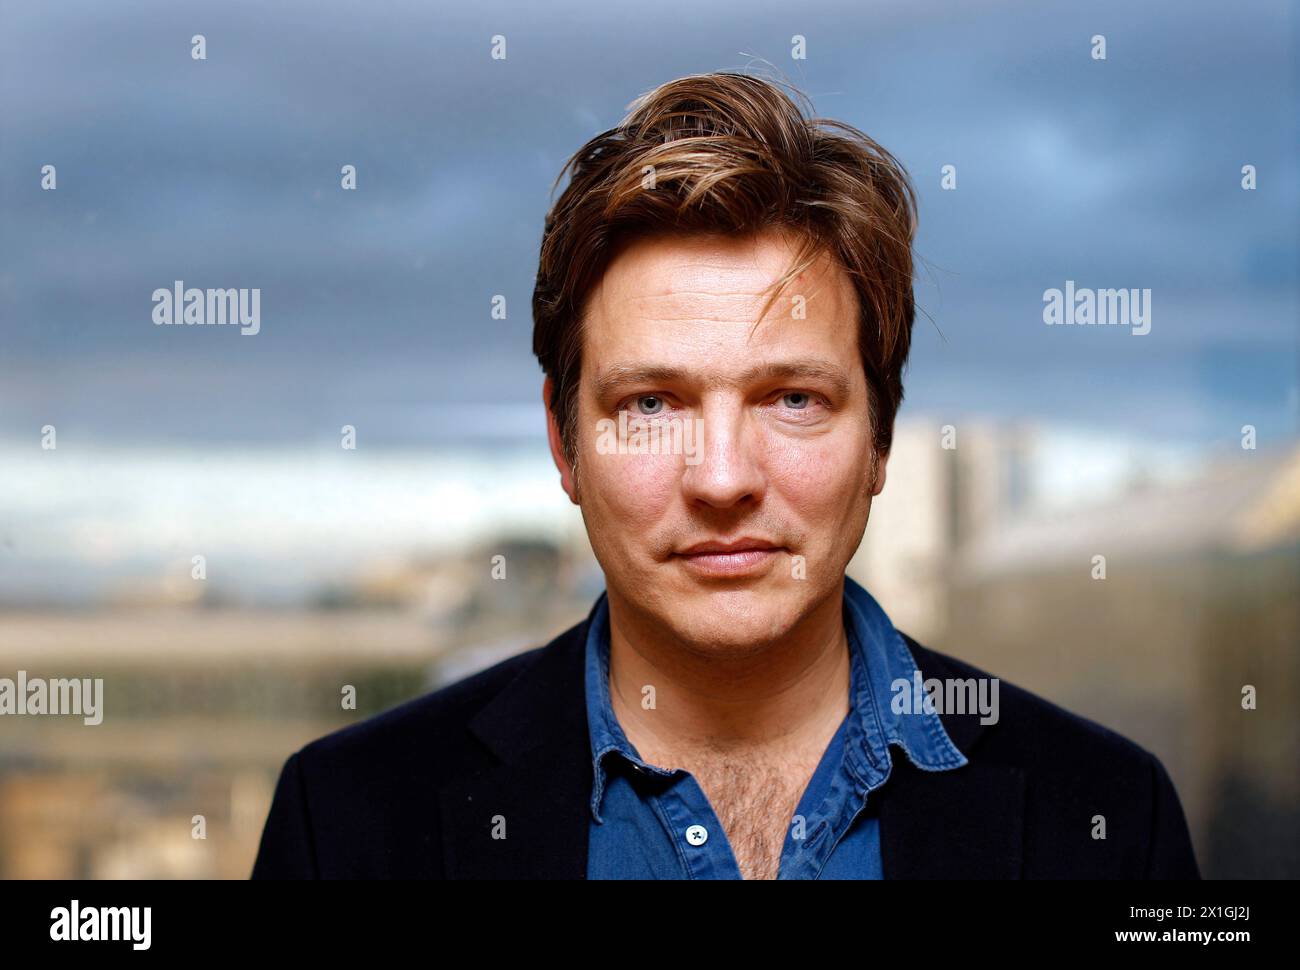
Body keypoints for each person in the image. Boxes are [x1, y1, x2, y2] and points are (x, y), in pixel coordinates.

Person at [251, 71, 1199, 879]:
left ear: (880, 438)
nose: (721, 479)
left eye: (792, 398)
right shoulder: (347, 824)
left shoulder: (1110, 818)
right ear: (563, 442)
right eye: (651, 405)